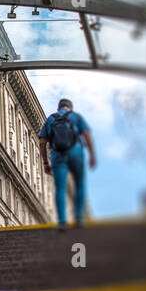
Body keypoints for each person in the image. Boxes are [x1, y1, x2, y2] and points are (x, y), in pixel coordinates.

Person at [40, 97, 95, 230]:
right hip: (75, 151)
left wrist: (45, 162)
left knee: (60, 188)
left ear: (58, 108)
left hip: (58, 154)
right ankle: (78, 219)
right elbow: (86, 135)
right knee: (80, 184)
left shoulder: (51, 119)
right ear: (70, 108)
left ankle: (62, 222)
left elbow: (42, 142)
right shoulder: (76, 117)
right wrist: (92, 155)